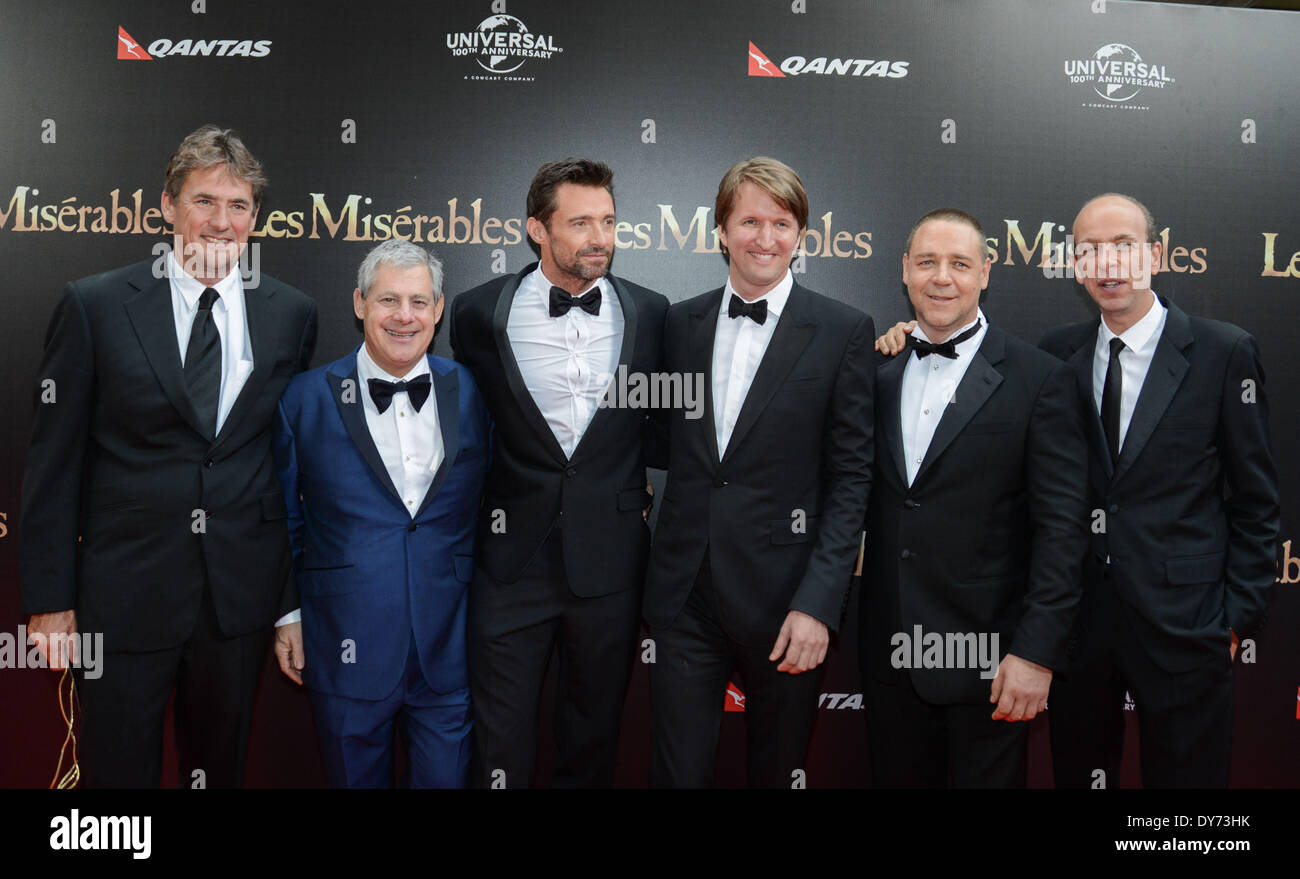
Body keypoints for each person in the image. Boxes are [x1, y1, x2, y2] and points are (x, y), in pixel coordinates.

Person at [20, 124, 318, 787]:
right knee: (117, 778)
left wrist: (287, 604)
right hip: (124, 595)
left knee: (218, 770)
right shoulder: (96, 305)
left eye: (238, 205)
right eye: (204, 201)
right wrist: (49, 600)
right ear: (166, 205)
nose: (221, 221)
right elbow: (53, 459)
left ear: (256, 217)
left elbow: (282, 467)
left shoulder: (290, 313)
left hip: (236, 600)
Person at [642, 157, 874, 788]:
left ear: (801, 235)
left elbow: (853, 478)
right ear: (721, 230)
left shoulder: (843, 330)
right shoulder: (678, 322)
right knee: (677, 772)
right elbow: (658, 437)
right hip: (684, 593)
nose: (765, 238)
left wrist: (820, 605)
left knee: (779, 771)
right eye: (749, 220)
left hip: (787, 601)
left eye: (781, 222)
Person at [1039, 193, 1279, 788]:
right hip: (1080, 623)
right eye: (1090, 249)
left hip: (1187, 624)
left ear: (1157, 254)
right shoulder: (1055, 354)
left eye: (1123, 246)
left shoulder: (1224, 352)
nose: (1108, 264)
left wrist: (1234, 619)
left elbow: (1256, 500)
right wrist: (907, 335)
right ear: (1075, 263)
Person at [448, 159, 668, 788]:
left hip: (612, 563)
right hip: (508, 561)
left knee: (593, 739)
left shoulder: (652, 314)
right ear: (536, 230)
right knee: (499, 742)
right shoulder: (476, 312)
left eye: (607, 221)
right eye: (579, 222)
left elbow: (674, 424)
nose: (599, 236)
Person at [866, 208, 1087, 787]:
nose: (943, 277)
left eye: (960, 264)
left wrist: (1037, 652)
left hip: (991, 660)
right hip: (890, 657)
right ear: (905, 272)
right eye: (928, 262)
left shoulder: (1041, 379)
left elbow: (1062, 530)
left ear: (986, 273)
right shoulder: (875, 369)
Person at [271, 240, 489, 788]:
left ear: (439, 310)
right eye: (388, 299)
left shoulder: (474, 392)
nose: (404, 316)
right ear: (360, 304)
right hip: (343, 639)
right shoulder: (302, 399)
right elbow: (281, 519)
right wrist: (288, 615)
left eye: (419, 301)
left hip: (451, 643)